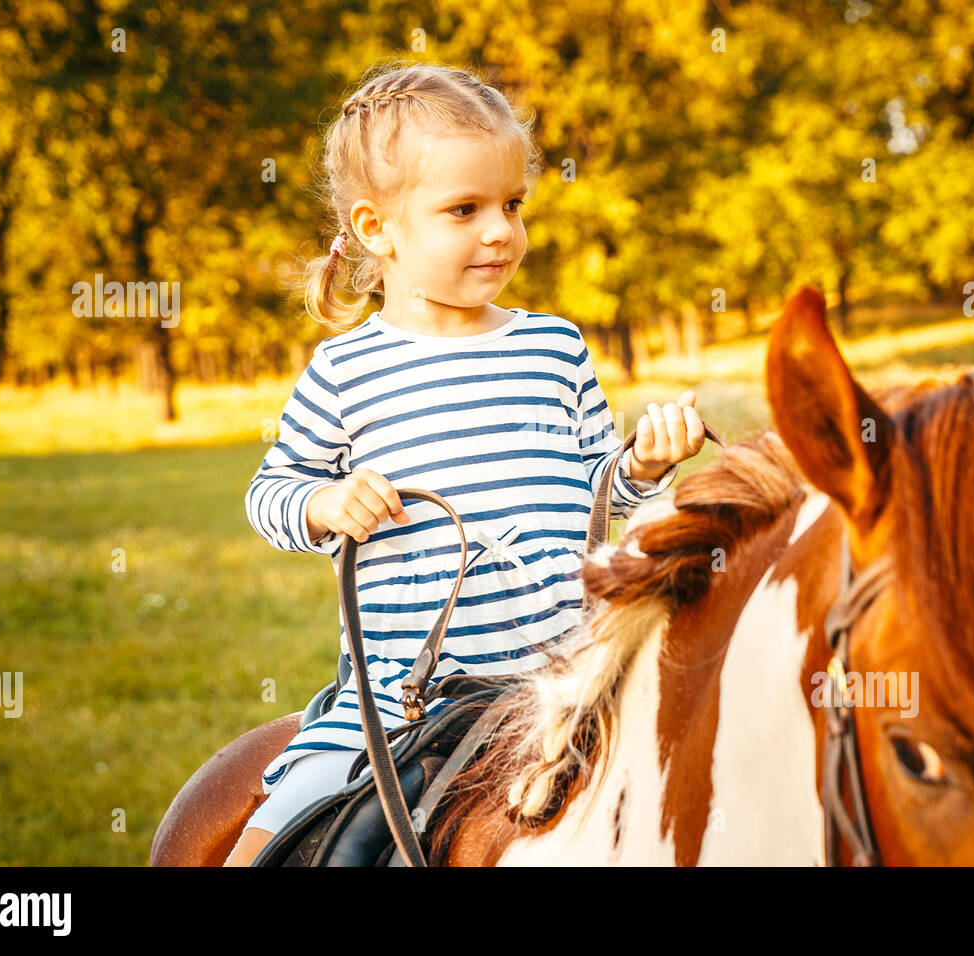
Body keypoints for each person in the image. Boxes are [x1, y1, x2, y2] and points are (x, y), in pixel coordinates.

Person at [225, 61, 706, 866]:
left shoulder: (555, 347)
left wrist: (643, 469)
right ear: (378, 229)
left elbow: (597, 491)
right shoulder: (345, 371)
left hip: (570, 676)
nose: (500, 231)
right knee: (270, 840)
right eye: (465, 209)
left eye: (512, 205)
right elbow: (269, 492)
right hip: (400, 699)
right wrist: (323, 503)